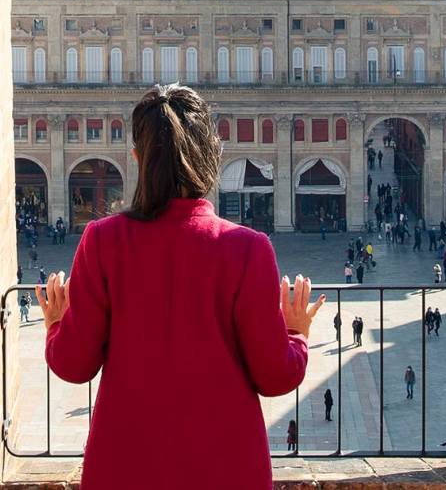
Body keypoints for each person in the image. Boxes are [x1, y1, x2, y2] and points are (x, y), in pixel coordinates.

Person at [41, 84, 321, 490]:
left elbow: (73, 364)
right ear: (211, 156)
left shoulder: (102, 241)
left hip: (125, 465)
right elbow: (276, 375)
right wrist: (296, 333)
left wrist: (55, 323)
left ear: (137, 158)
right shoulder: (248, 248)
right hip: (226, 467)